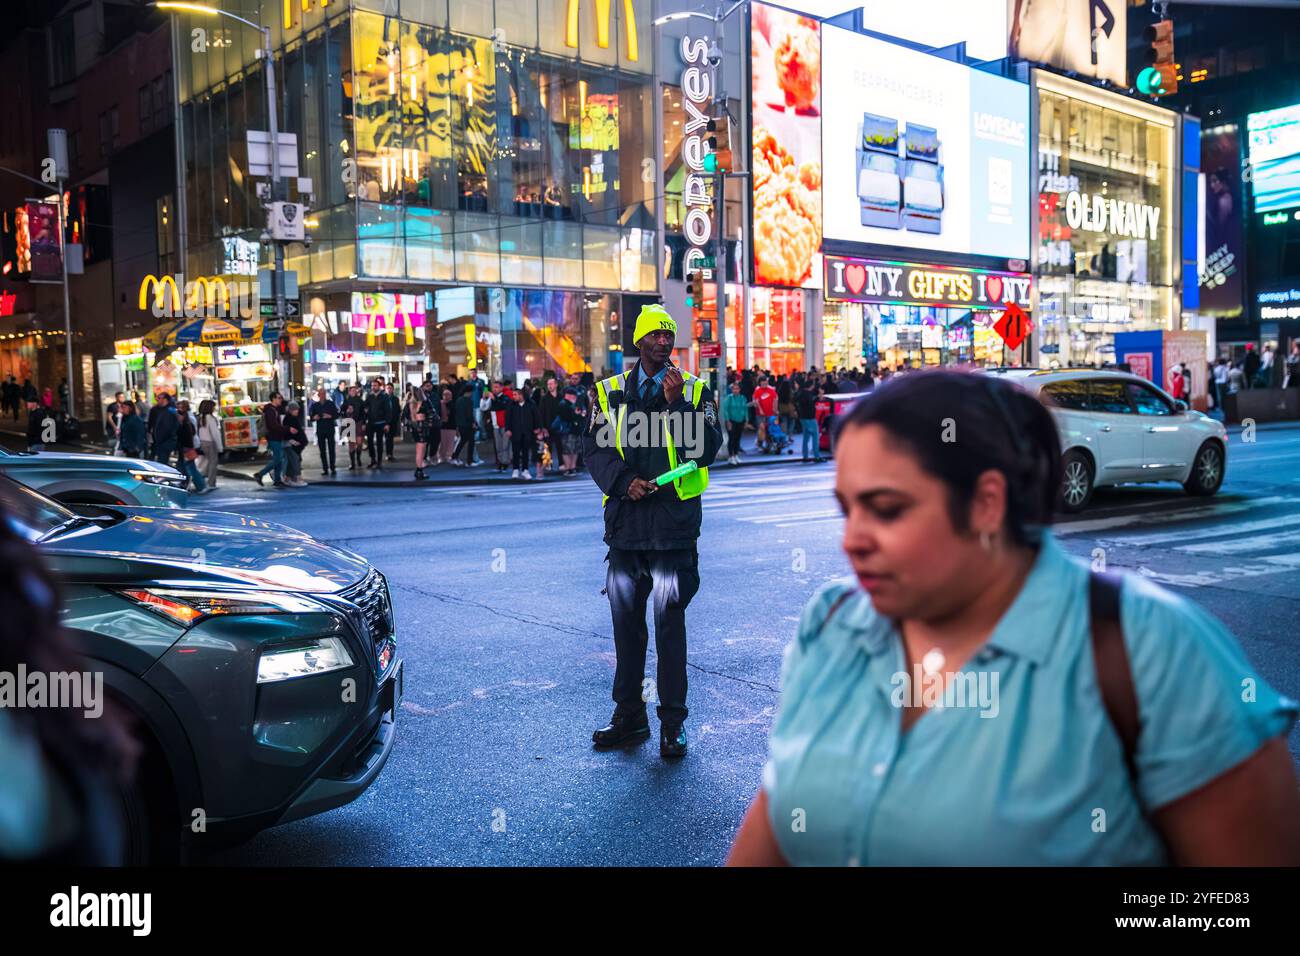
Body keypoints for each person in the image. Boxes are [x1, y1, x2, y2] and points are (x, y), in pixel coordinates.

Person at [727, 370, 1300, 866]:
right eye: (847, 509)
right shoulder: (831, 624)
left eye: (887, 509)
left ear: (986, 503)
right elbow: (776, 827)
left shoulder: (1146, 649)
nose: (852, 541)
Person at [582, 303, 724, 759]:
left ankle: (672, 724)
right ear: (639, 343)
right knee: (626, 632)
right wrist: (626, 483)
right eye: (656, 335)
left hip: (672, 533)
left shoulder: (694, 390)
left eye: (669, 335)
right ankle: (629, 718)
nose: (665, 341)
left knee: (669, 629)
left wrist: (676, 403)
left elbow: (704, 449)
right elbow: (596, 450)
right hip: (625, 532)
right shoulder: (608, 393)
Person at [505, 383, 542, 480]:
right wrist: (508, 429)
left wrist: (538, 428)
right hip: (515, 432)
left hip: (527, 432)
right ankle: (515, 469)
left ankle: (525, 470)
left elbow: (536, 417)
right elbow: (508, 417)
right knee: (515, 451)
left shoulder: (531, 404)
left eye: (515, 395)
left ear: (521, 395)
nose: (513, 397)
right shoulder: (511, 405)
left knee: (526, 451)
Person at [253, 392, 287, 488]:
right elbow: (273, 425)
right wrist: (286, 429)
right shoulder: (271, 411)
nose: (281, 399)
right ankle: (260, 474)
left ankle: (277, 480)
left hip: (276, 437)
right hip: (273, 437)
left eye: (281, 397)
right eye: (279, 398)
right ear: (273, 399)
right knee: (279, 458)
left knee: (279, 459)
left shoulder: (274, 409)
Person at [174, 399, 207, 494]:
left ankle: (200, 486)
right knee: (183, 467)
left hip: (187, 447)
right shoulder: (185, 421)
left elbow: (190, 435)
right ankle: (185, 484)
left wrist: (188, 447)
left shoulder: (187, 422)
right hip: (185, 447)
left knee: (190, 467)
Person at [411, 381, 439, 481]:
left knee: (419, 449)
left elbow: (406, 416)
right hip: (422, 425)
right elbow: (432, 413)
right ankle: (419, 470)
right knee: (421, 450)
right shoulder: (423, 402)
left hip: (415, 426)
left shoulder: (411, 402)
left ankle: (419, 469)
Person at [308, 387, 338, 475]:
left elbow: (336, 415)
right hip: (320, 429)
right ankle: (325, 469)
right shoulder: (315, 405)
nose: (322, 395)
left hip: (329, 428)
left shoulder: (330, 404)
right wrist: (314, 417)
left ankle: (332, 467)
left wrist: (330, 416)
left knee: (331, 449)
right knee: (322, 450)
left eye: (323, 394)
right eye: (320, 394)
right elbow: (311, 417)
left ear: (325, 394)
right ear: (318, 395)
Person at [365, 378, 393, 469]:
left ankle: (379, 461)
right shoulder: (369, 396)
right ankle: (373, 459)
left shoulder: (384, 396)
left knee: (379, 442)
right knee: (370, 442)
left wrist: (387, 423)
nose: (373, 387)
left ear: (379, 386)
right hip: (371, 422)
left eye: (375, 385)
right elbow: (365, 408)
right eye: (372, 385)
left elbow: (388, 410)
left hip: (381, 422)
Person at [556, 386, 584, 476]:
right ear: (568, 395)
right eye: (573, 396)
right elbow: (566, 417)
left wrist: (578, 414)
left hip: (574, 430)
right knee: (567, 450)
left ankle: (572, 467)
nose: (575, 397)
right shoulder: (563, 404)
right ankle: (568, 468)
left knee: (575, 450)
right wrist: (576, 414)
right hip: (567, 431)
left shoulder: (572, 404)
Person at [538, 376, 563, 475]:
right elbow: (541, 413)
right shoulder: (544, 399)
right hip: (548, 426)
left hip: (559, 427)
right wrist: (543, 427)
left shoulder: (561, 397)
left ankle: (562, 464)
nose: (550, 386)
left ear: (556, 385)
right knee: (548, 447)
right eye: (548, 384)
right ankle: (548, 464)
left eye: (551, 384)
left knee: (560, 446)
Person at [196, 399, 223, 491]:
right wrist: (220, 447)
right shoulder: (210, 418)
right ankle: (211, 483)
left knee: (204, 463)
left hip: (202, 442)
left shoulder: (199, 418)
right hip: (210, 443)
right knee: (212, 463)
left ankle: (200, 479)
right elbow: (215, 433)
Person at [282, 401, 309, 487]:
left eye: (297, 409)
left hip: (295, 443)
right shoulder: (289, 419)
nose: (296, 411)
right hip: (292, 444)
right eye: (294, 409)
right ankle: (297, 477)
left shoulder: (292, 418)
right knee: (295, 460)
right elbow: (287, 433)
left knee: (292, 460)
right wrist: (292, 441)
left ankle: (289, 477)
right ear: (290, 410)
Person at [340, 384, 367, 471]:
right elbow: (342, 411)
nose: (353, 392)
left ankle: (358, 458)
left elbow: (364, 413)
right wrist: (346, 411)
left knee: (359, 442)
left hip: (359, 422)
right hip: (349, 423)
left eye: (355, 390)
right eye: (352, 390)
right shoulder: (346, 401)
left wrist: (363, 423)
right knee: (351, 444)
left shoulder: (360, 401)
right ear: (349, 392)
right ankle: (352, 463)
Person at [722, 381, 749, 465]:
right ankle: (731, 456)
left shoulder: (743, 398)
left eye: (737, 389)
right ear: (732, 390)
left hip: (740, 421)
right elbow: (725, 410)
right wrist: (727, 421)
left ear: (740, 389)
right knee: (731, 439)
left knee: (738, 438)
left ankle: (736, 455)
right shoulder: (729, 398)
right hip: (731, 421)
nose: (735, 390)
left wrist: (746, 420)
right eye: (734, 389)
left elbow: (745, 409)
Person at [148, 392, 179, 465]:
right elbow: (151, 422)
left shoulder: (171, 410)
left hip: (167, 439)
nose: (158, 400)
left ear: (165, 400)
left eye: (160, 398)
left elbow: (173, 425)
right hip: (157, 438)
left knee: (162, 460)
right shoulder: (154, 409)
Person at [796, 377, 822, 463]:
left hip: (803, 417)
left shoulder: (801, 393)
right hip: (810, 418)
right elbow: (810, 404)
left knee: (806, 437)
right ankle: (816, 456)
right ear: (811, 386)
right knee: (815, 436)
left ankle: (805, 456)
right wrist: (817, 398)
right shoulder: (808, 394)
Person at [453, 384, 478, 467]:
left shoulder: (458, 400)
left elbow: (456, 413)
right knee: (471, 442)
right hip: (468, 424)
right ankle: (469, 461)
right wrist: (473, 423)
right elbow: (469, 414)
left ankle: (455, 456)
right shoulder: (469, 401)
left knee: (462, 441)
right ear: (469, 392)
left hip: (460, 424)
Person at [437, 387, 458, 465]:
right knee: (442, 442)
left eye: (448, 394)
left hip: (451, 425)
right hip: (442, 425)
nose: (446, 396)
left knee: (450, 442)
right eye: (444, 394)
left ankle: (449, 455)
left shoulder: (453, 404)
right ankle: (441, 456)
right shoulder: (440, 403)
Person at [384, 382, 401, 461]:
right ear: (385, 389)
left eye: (390, 388)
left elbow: (398, 410)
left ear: (393, 389)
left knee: (391, 438)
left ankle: (390, 453)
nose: (389, 390)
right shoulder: (383, 398)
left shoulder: (395, 399)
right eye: (387, 388)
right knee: (387, 438)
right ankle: (388, 454)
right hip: (385, 422)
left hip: (393, 421)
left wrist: (397, 419)